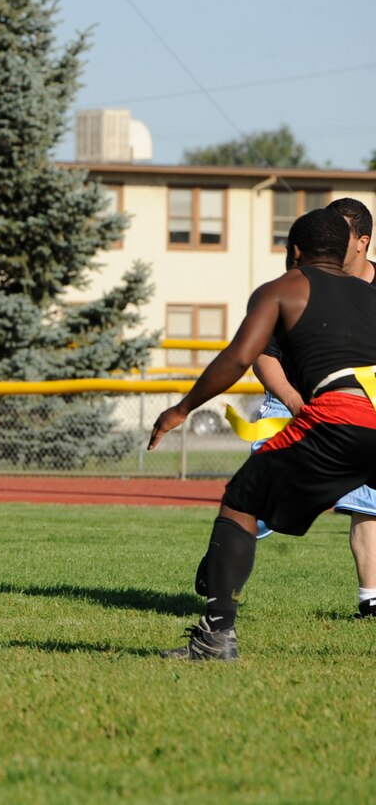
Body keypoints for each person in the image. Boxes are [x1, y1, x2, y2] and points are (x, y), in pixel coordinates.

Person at [151, 208, 376, 660]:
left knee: (241, 500)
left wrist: (182, 408)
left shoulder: (285, 288)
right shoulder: (369, 295)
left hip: (339, 415)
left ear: (294, 252)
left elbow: (238, 359)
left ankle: (215, 638)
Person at [201, 198, 376, 619]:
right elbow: (263, 353)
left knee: (369, 506)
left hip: (361, 409)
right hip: (293, 401)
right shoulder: (297, 286)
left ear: (361, 243)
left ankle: (371, 600)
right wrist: (297, 402)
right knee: (255, 505)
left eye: (339, 236)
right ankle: (224, 567)